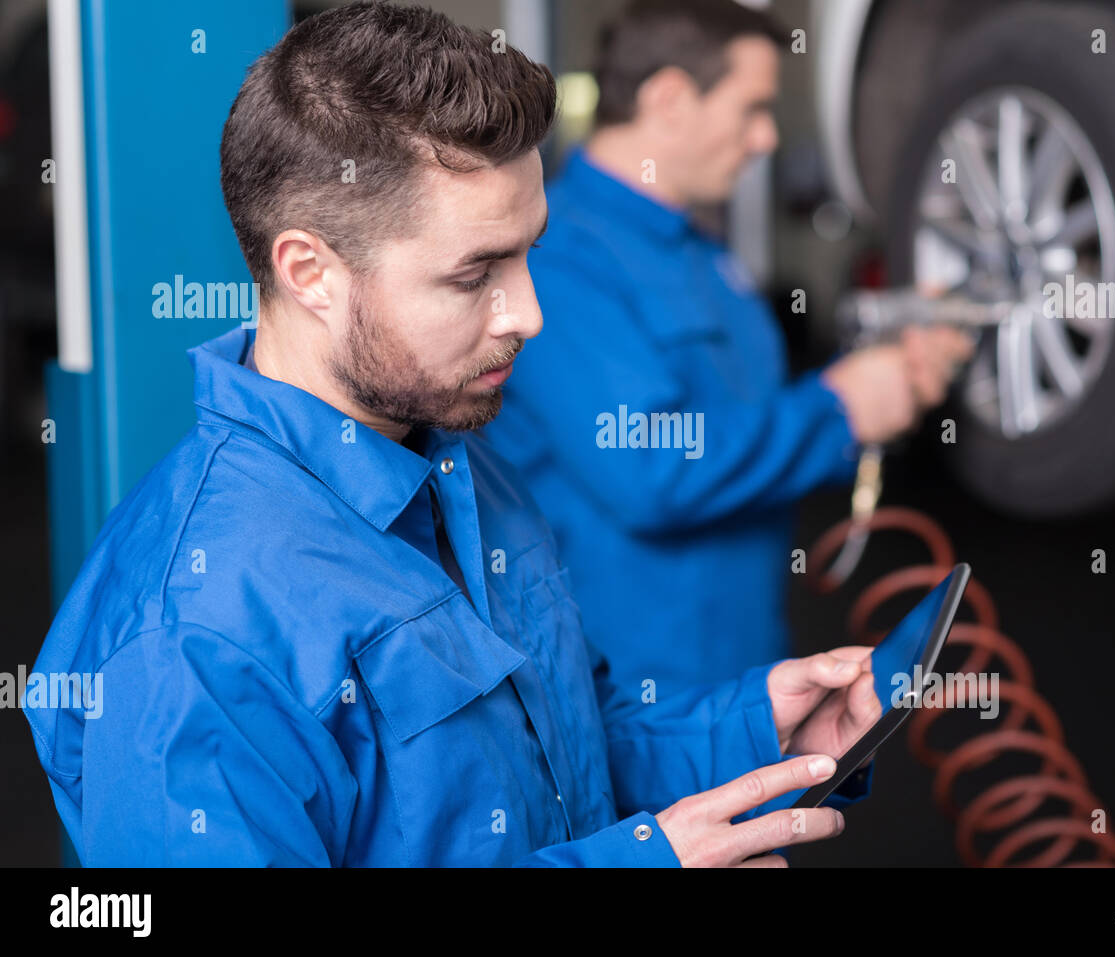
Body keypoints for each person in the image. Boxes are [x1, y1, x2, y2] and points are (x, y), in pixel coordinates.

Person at [24, 1, 883, 868]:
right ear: (309, 271)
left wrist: (752, 730)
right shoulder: (191, 633)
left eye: (526, 254)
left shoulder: (467, 465)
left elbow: (563, 759)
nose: (530, 314)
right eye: (474, 274)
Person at [482, 0, 974, 699]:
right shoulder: (559, 255)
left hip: (747, 665)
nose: (768, 137)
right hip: (636, 695)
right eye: (752, 108)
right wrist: (839, 408)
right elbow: (650, 463)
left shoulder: (704, 255)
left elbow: (747, 420)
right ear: (670, 98)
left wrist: (883, 394)